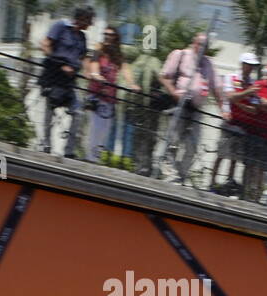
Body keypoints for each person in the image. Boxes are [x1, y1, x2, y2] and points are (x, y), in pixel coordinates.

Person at [159, 32, 224, 185]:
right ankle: (170, 173)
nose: (202, 48)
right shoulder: (180, 55)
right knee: (172, 142)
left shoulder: (209, 64)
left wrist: (224, 109)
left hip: (196, 109)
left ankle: (181, 175)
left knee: (193, 145)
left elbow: (217, 89)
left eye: (205, 45)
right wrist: (174, 93)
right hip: (179, 105)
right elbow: (164, 76)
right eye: (200, 44)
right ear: (194, 43)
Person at [39, 6, 93, 158]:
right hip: (54, 76)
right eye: (89, 20)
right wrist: (59, 64)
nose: (91, 24)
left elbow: (84, 58)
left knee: (78, 112)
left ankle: (69, 151)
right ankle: (45, 145)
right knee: (50, 110)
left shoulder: (82, 37)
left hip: (70, 81)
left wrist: (89, 73)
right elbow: (45, 44)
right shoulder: (60, 26)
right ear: (81, 19)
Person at [230, 62, 267, 202]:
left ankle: (256, 197)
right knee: (249, 165)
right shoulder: (258, 85)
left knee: (262, 168)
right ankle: (245, 194)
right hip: (253, 132)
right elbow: (256, 105)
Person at [83, 26, 133, 163]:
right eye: (105, 34)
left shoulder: (117, 55)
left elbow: (125, 69)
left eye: (110, 34)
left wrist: (132, 84)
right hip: (96, 94)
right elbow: (93, 65)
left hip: (110, 97)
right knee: (96, 127)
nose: (107, 36)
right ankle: (90, 158)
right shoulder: (99, 50)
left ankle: (96, 157)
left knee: (105, 130)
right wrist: (95, 75)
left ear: (115, 37)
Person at [212, 51, 259, 195]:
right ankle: (212, 183)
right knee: (221, 154)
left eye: (253, 66)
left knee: (234, 158)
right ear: (243, 65)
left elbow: (254, 109)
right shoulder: (231, 77)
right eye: (249, 65)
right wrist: (246, 94)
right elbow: (229, 96)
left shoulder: (253, 84)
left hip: (243, 125)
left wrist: (240, 103)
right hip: (229, 122)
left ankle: (228, 183)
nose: (251, 68)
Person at [126, 45, 163, 175]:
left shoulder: (156, 63)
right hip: (139, 106)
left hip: (152, 110)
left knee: (149, 138)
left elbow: (161, 80)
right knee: (138, 135)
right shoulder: (139, 61)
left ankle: (144, 166)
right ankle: (137, 164)